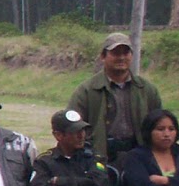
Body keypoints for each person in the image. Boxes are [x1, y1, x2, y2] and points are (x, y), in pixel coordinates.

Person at [67, 32, 163, 166]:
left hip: (139, 156)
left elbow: (159, 125)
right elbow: (72, 127)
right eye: (116, 53)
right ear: (103, 56)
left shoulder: (147, 90)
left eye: (126, 53)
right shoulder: (86, 91)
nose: (122, 58)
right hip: (100, 157)